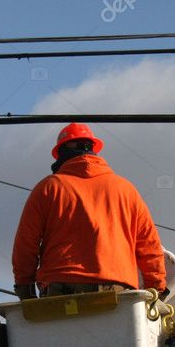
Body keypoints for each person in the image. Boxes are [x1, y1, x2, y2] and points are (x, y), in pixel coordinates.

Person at [12, 122, 166, 299]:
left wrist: (25, 289)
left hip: (60, 291)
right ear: (93, 150)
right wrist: (156, 290)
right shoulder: (125, 189)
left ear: (61, 154)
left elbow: (26, 244)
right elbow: (149, 246)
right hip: (117, 293)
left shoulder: (48, 188)